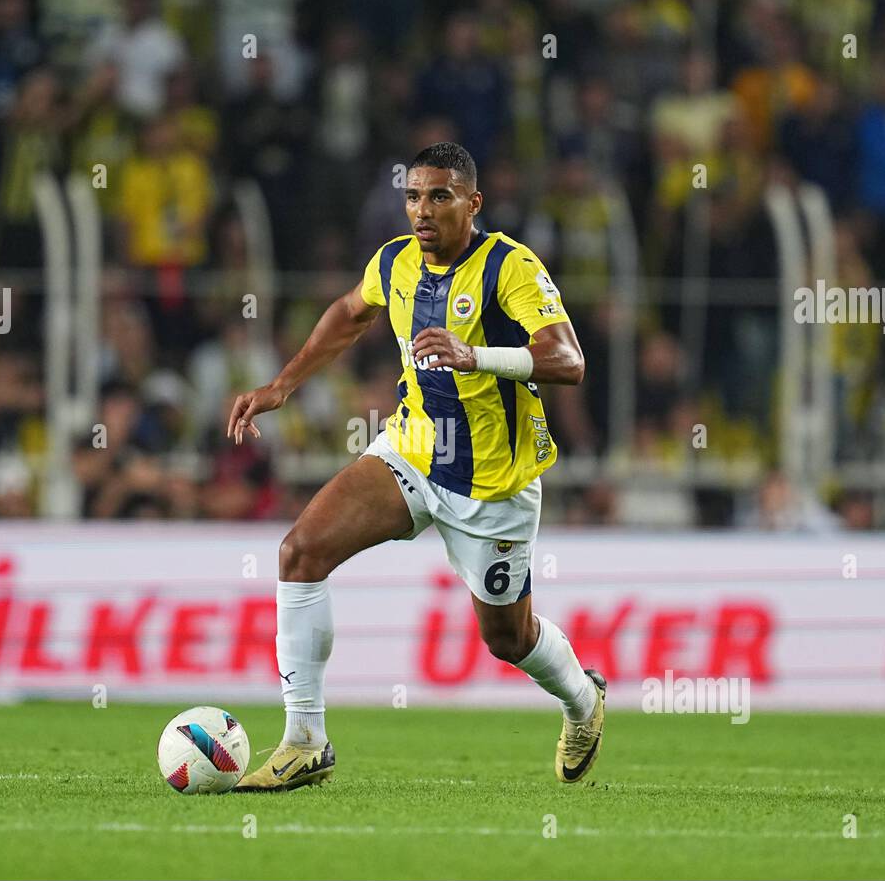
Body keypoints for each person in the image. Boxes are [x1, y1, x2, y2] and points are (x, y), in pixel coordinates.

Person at [226, 142, 603, 790]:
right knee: (300, 551)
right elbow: (350, 313)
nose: (421, 211)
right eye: (413, 196)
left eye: (439, 196)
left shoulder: (509, 266)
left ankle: (582, 700)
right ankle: (304, 738)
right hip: (414, 452)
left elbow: (569, 362)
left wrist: (476, 356)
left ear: (472, 203)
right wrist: (283, 385)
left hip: (493, 486)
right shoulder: (395, 262)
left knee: (508, 640)